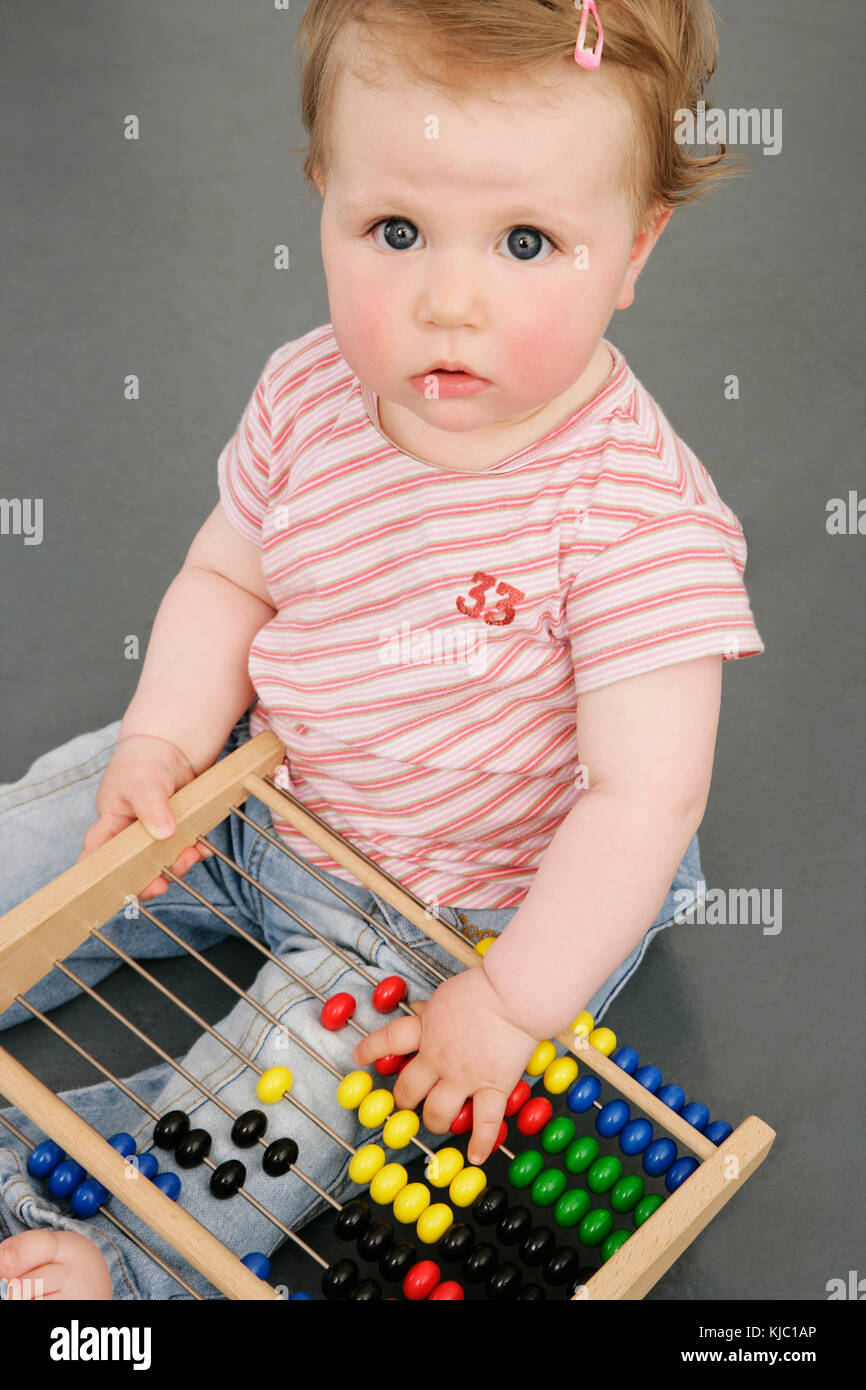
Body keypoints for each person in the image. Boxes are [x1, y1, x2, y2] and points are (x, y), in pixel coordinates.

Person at [0, 0, 763, 1300]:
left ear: (633, 248)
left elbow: (644, 798)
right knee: (39, 840)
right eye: (393, 230)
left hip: (449, 914)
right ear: (323, 193)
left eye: (526, 241)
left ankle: (114, 1266)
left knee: (272, 1114)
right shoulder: (308, 391)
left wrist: (514, 1005)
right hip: (247, 798)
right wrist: (164, 737)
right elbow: (224, 574)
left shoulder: (635, 520)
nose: (447, 299)